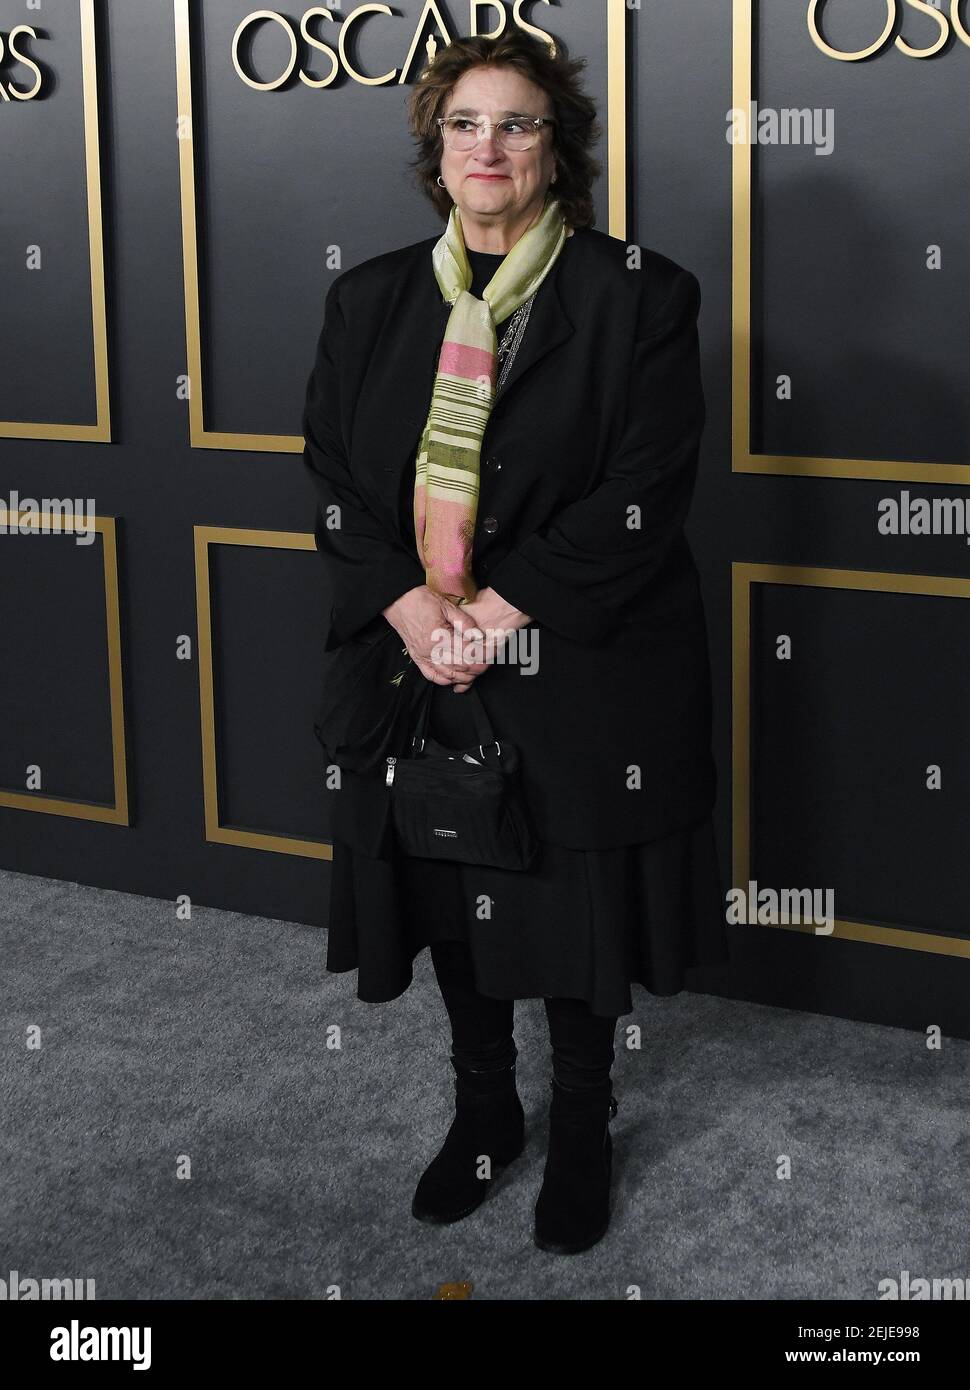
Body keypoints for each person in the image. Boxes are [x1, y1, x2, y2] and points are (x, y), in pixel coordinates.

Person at [302, 30, 729, 1256]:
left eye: (518, 124)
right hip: (405, 656)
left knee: (571, 900)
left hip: (575, 655)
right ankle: (484, 1108)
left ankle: (583, 1121)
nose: (488, 147)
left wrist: (490, 618)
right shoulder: (369, 296)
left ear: (558, 148)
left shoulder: (640, 292)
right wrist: (408, 607)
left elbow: (643, 488)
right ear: (436, 151)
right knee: (443, 882)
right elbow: (331, 474)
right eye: (464, 126)